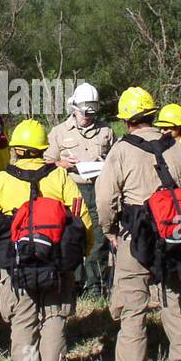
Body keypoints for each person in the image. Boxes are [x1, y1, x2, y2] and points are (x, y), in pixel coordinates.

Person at [96, 86, 181, 361]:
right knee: (179, 303)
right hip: (177, 236)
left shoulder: (120, 150)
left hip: (135, 238)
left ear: (127, 121)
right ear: (153, 115)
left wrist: (110, 231)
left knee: (132, 308)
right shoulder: (179, 148)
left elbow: (105, 200)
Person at [0, 119, 94, 361]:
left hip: (17, 263)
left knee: (23, 319)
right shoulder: (59, 176)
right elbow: (81, 214)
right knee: (54, 317)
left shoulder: (2, 179)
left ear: (16, 149)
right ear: (43, 150)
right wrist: (83, 250)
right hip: (55, 261)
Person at [45, 81, 115, 299]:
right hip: (71, 190)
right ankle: (73, 283)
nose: (88, 118)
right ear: (74, 108)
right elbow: (45, 163)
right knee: (72, 237)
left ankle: (95, 286)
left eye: (91, 114)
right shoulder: (58, 133)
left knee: (99, 237)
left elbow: (115, 158)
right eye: (85, 114)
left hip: (99, 189)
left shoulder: (106, 130)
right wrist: (61, 164)